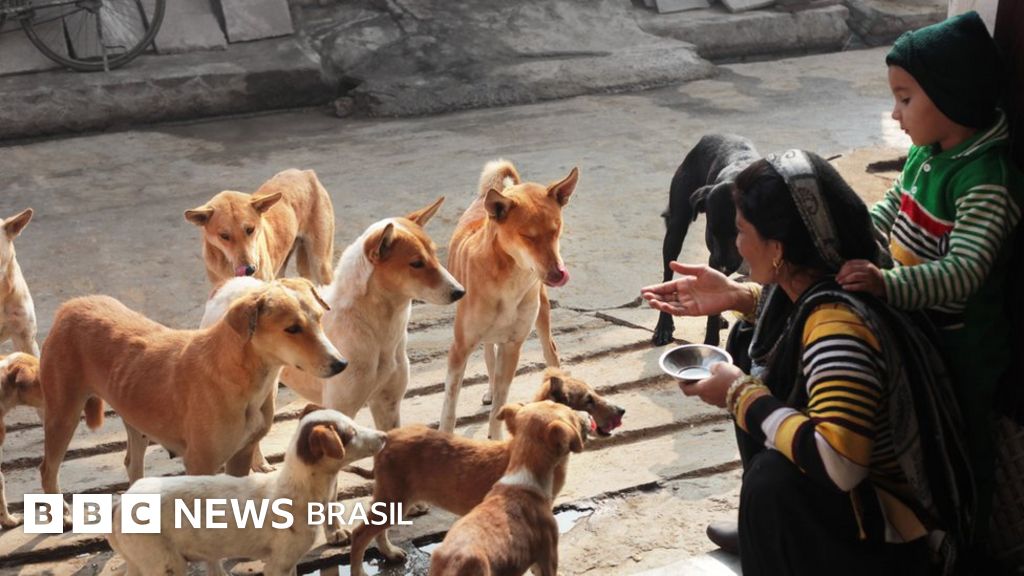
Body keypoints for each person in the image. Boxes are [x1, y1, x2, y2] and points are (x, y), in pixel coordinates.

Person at [641, 150, 971, 575]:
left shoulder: (838, 327)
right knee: (746, 335)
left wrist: (739, 393)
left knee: (772, 483)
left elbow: (841, 464)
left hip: (896, 536)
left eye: (741, 232)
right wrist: (737, 296)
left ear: (776, 248)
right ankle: (764, 532)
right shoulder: (824, 279)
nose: (736, 247)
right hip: (864, 508)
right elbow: (790, 321)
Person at [835, 11, 1023, 541]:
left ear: (952, 97)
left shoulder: (986, 179)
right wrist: (849, 238)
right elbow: (889, 209)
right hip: (918, 329)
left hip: (963, 350)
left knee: (963, 447)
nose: (894, 114)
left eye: (905, 98)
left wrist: (886, 283)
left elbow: (964, 272)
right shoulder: (925, 154)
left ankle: (969, 540)